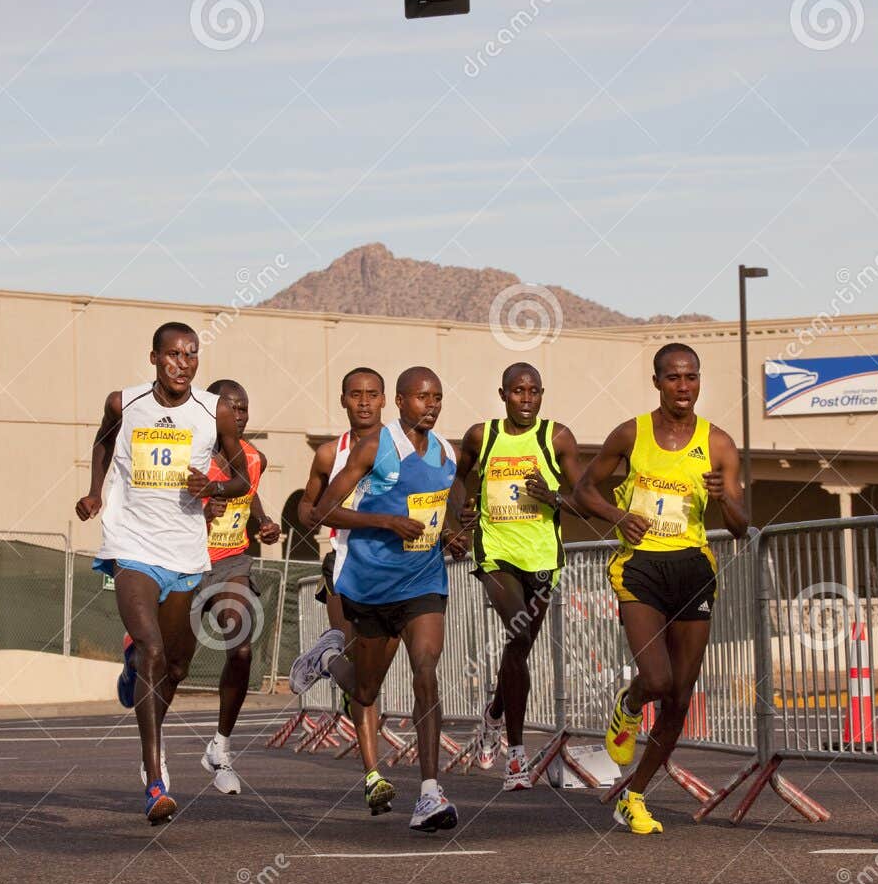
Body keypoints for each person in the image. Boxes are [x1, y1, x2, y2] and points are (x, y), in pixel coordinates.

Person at [74, 323, 250, 825]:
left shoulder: (211, 413)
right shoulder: (123, 403)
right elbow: (103, 445)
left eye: (191, 355)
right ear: (153, 358)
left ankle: (135, 668)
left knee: (173, 667)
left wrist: (212, 488)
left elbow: (240, 477)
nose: (183, 364)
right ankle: (154, 782)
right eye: (173, 355)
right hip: (131, 546)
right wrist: (95, 493)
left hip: (187, 555)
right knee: (154, 648)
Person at [574, 343, 748, 836]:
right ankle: (629, 706)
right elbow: (584, 489)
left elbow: (739, 525)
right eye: (673, 378)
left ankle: (633, 796)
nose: (684, 387)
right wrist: (617, 516)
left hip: (693, 568)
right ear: (657, 382)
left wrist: (724, 499)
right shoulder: (632, 434)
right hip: (640, 569)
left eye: (691, 378)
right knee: (656, 679)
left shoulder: (719, 443)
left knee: (680, 697)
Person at [296, 366, 466, 832]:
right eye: (420, 398)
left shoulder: (447, 453)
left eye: (437, 398)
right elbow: (323, 510)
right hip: (370, 586)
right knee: (366, 690)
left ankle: (429, 794)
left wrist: (450, 535)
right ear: (401, 401)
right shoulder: (375, 447)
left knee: (426, 672)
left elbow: (431, 510)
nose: (429, 406)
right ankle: (330, 657)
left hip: (423, 583)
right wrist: (387, 524)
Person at [448, 362, 584, 791]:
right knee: (520, 636)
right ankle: (517, 756)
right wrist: (460, 510)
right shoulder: (481, 436)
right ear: (503, 393)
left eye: (533, 392)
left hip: (543, 556)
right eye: (517, 392)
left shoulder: (556, 437)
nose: (525, 400)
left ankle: (492, 716)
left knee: (518, 648)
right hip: (497, 552)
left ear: (542, 394)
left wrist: (555, 496)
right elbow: (456, 476)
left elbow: (584, 498)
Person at [288, 367, 396, 815]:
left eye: (372, 394)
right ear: (344, 401)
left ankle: (325, 660)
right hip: (344, 565)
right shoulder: (331, 454)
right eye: (356, 395)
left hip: (397, 571)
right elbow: (307, 505)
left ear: (385, 399)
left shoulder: (404, 449)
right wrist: (322, 514)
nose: (365, 402)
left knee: (372, 678)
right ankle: (374, 776)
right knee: (359, 667)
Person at [195, 379, 281, 796]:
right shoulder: (190, 453)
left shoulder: (253, 457)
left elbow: (249, 495)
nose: (241, 416)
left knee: (242, 647)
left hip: (232, 562)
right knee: (171, 664)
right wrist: (197, 508)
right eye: (232, 408)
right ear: (214, 412)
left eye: (245, 408)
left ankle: (221, 746)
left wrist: (263, 523)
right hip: (187, 564)